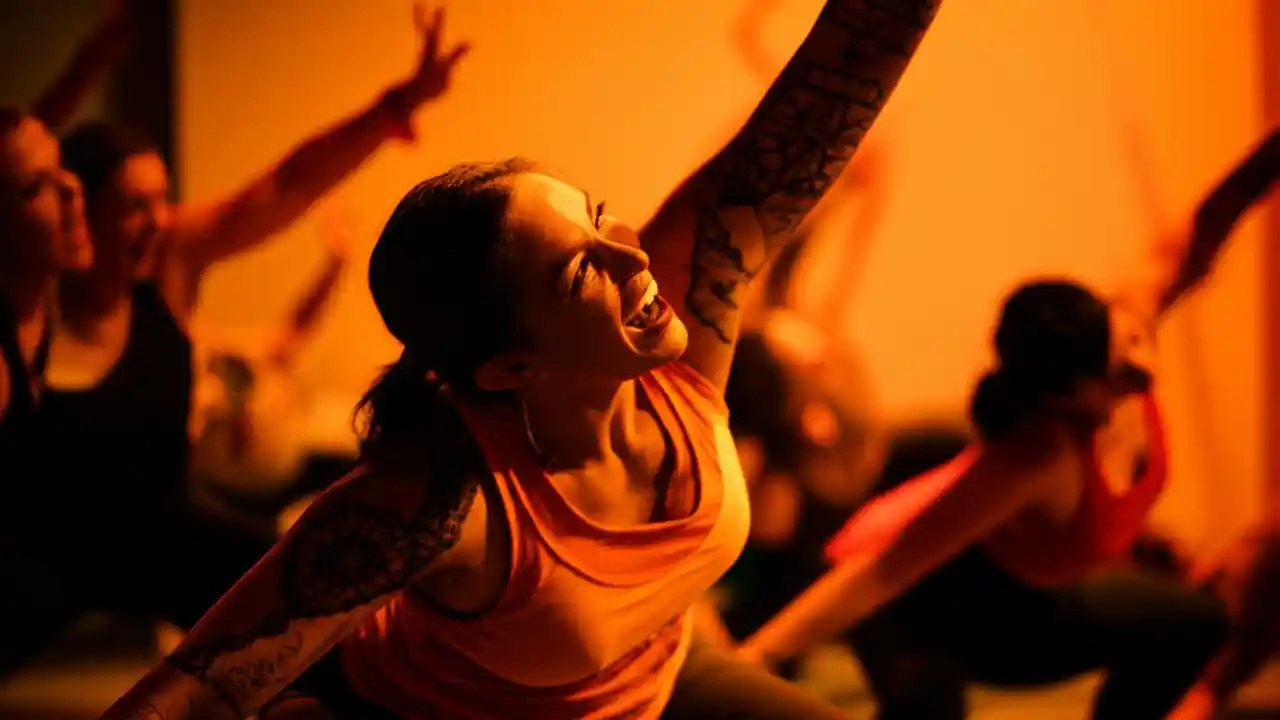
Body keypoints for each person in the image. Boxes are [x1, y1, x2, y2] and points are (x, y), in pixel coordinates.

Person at [99, 1, 944, 717]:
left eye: (599, 215)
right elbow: (200, 682)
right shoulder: (442, 497)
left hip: (656, 679)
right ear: (508, 368)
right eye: (579, 271)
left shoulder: (678, 337)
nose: (631, 255)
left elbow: (823, 99)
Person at [738, 128, 1280, 719]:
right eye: (1113, 374)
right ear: (1061, 397)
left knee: (1194, 621)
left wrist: (1262, 165)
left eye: (1133, 343)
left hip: (1045, 590)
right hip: (954, 610)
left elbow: (1199, 232)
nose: (1143, 369)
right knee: (927, 702)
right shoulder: (1036, 457)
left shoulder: (1129, 320)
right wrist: (758, 655)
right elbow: (882, 572)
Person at [0, 2, 468, 679]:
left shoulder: (166, 263)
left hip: (162, 532)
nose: (157, 220)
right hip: (42, 552)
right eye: (132, 205)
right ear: (78, 206)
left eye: (162, 199)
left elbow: (286, 184)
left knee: (317, 602)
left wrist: (395, 106)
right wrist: (80, 73)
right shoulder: (29, 294)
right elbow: (13, 173)